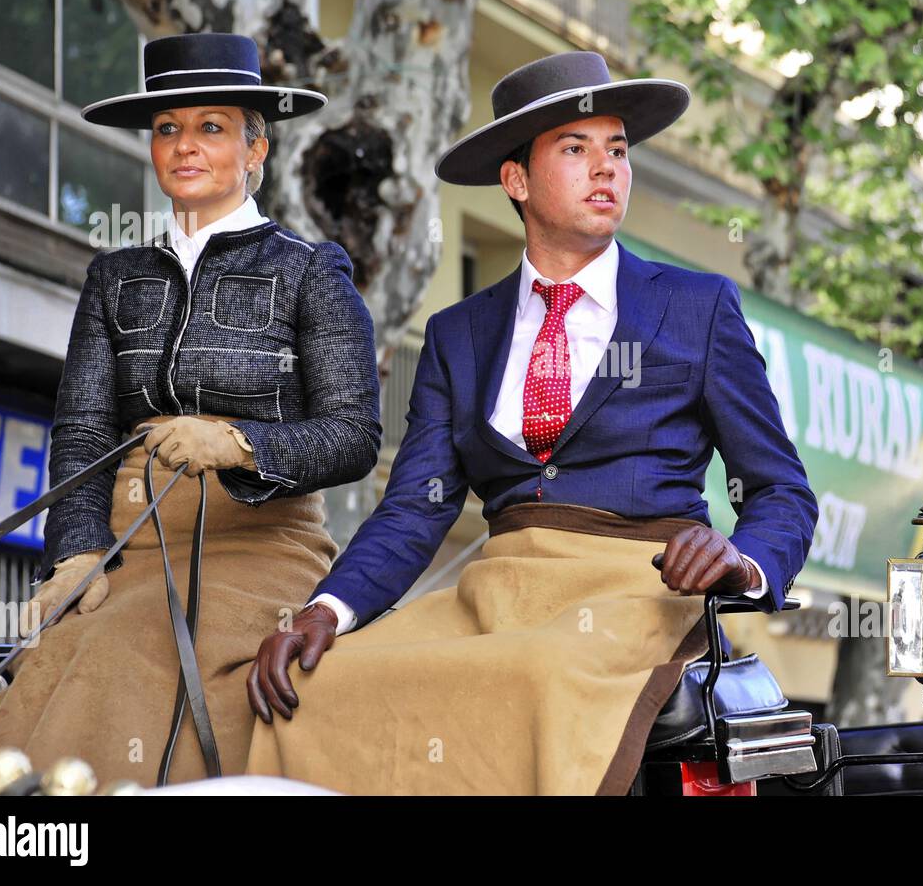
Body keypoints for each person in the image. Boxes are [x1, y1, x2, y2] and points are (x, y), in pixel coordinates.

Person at [246, 51, 818, 795]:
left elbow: (782, 492)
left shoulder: (698, 306)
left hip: (639, 590)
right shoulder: (458, 334)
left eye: (617, 149)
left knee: (537, 674)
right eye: (576, 149)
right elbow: (414, 512)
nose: (607, 168)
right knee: (318, 686)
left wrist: (742, 561)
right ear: (515, 180)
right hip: (492, 592)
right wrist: (326, 607)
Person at [0, 33, 381, 788]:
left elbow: (354, 435)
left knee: (128, 654)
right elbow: (85, 425)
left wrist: (237, 442)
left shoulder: (310, 269)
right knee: (49, 659)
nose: (186, 146)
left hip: (261, 550)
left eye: (211, 127)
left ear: (255, 150)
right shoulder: (114, 275)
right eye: (167, 129)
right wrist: (79, 551)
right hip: (132, 546)